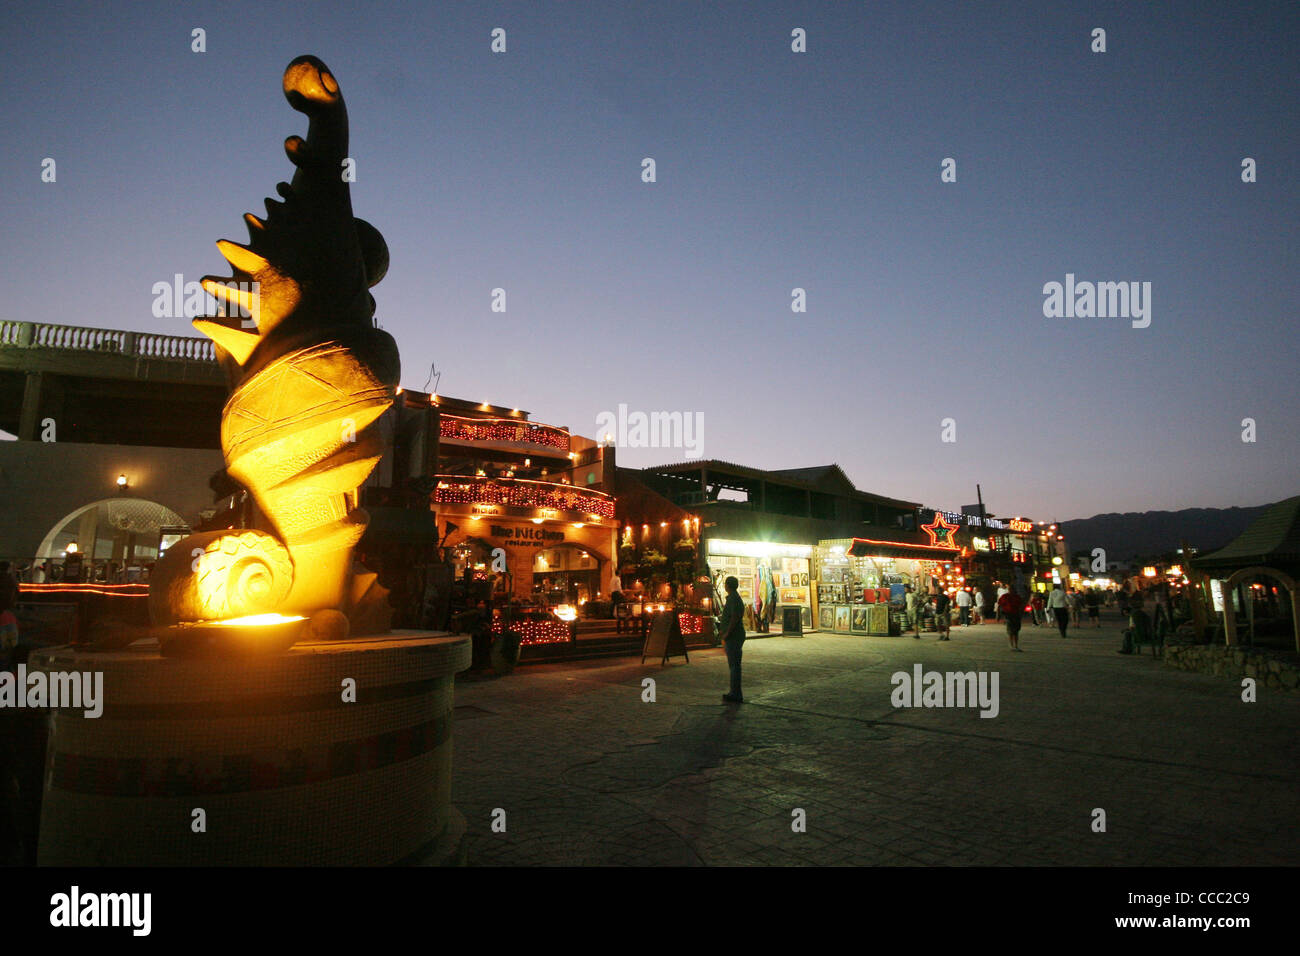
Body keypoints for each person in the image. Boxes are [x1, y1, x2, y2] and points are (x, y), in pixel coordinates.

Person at [717, 575, 746, 703]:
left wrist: (727, 633)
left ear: (727, 586)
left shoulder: (733, 599)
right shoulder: (734, 598)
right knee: (734, 665)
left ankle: (735, 693)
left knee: (734, 666)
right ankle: (734, 692)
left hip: (734, 636)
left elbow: (734, 618)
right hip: (734, 635)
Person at [997, 586, 1023, 651]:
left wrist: (1021, 614)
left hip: (1016, 615)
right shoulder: (1005, 596)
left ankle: (1016, 645)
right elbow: (999, 605)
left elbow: (1021, 606)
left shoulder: (1017, 597)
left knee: (1016, 631)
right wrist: (998, 615)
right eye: (1010, 589)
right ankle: (1011, 645)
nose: (1012, 591)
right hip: (1008, 615)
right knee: (1011, 630)